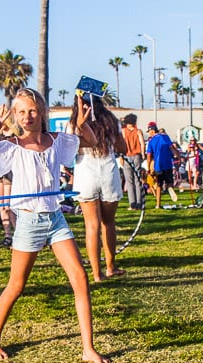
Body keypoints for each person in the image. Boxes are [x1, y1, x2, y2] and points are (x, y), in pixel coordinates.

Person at [0, 88, 109, 363]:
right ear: (15, 116)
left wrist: (81, 124)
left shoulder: (57, 141)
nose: (27, 116)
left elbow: (89, 142)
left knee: (80, 278)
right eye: (21, 112)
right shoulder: (11, 146)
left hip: (55, 219)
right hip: (29, 221)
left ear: (41, 112)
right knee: (16, 286)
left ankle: (88, 348)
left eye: (32, 111)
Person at [69, 95, 128, 282]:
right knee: (108, 223)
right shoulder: (111, 121)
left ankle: (97, 273)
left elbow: (70, 150)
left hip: (85, 173)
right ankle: (110, 267)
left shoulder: (73, 123)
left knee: (92, 225)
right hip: (108, 172)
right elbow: (122, 147)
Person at [145, 121, 179, 209]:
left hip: (158, 166)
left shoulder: (151, 141)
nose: (149, 133)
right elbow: (172, 148)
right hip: (167, 163)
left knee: (159, 185)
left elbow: (149, 155)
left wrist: (148, 167)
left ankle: (158, 204)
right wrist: (177, 156)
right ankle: (169, 188)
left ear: (152, 130)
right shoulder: (165, 137)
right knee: (169, 182)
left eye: (149, 131)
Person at [119, 113, 145, 210]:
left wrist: (121, 156)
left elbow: (121, 144)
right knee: (137, 180)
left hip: (127, 156)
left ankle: (132, 203)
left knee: (129, 181)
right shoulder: (138, 131)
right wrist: (142, 154)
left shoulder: (123, 131)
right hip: (137, 156)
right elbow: (142, 144)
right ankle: (139, 203)